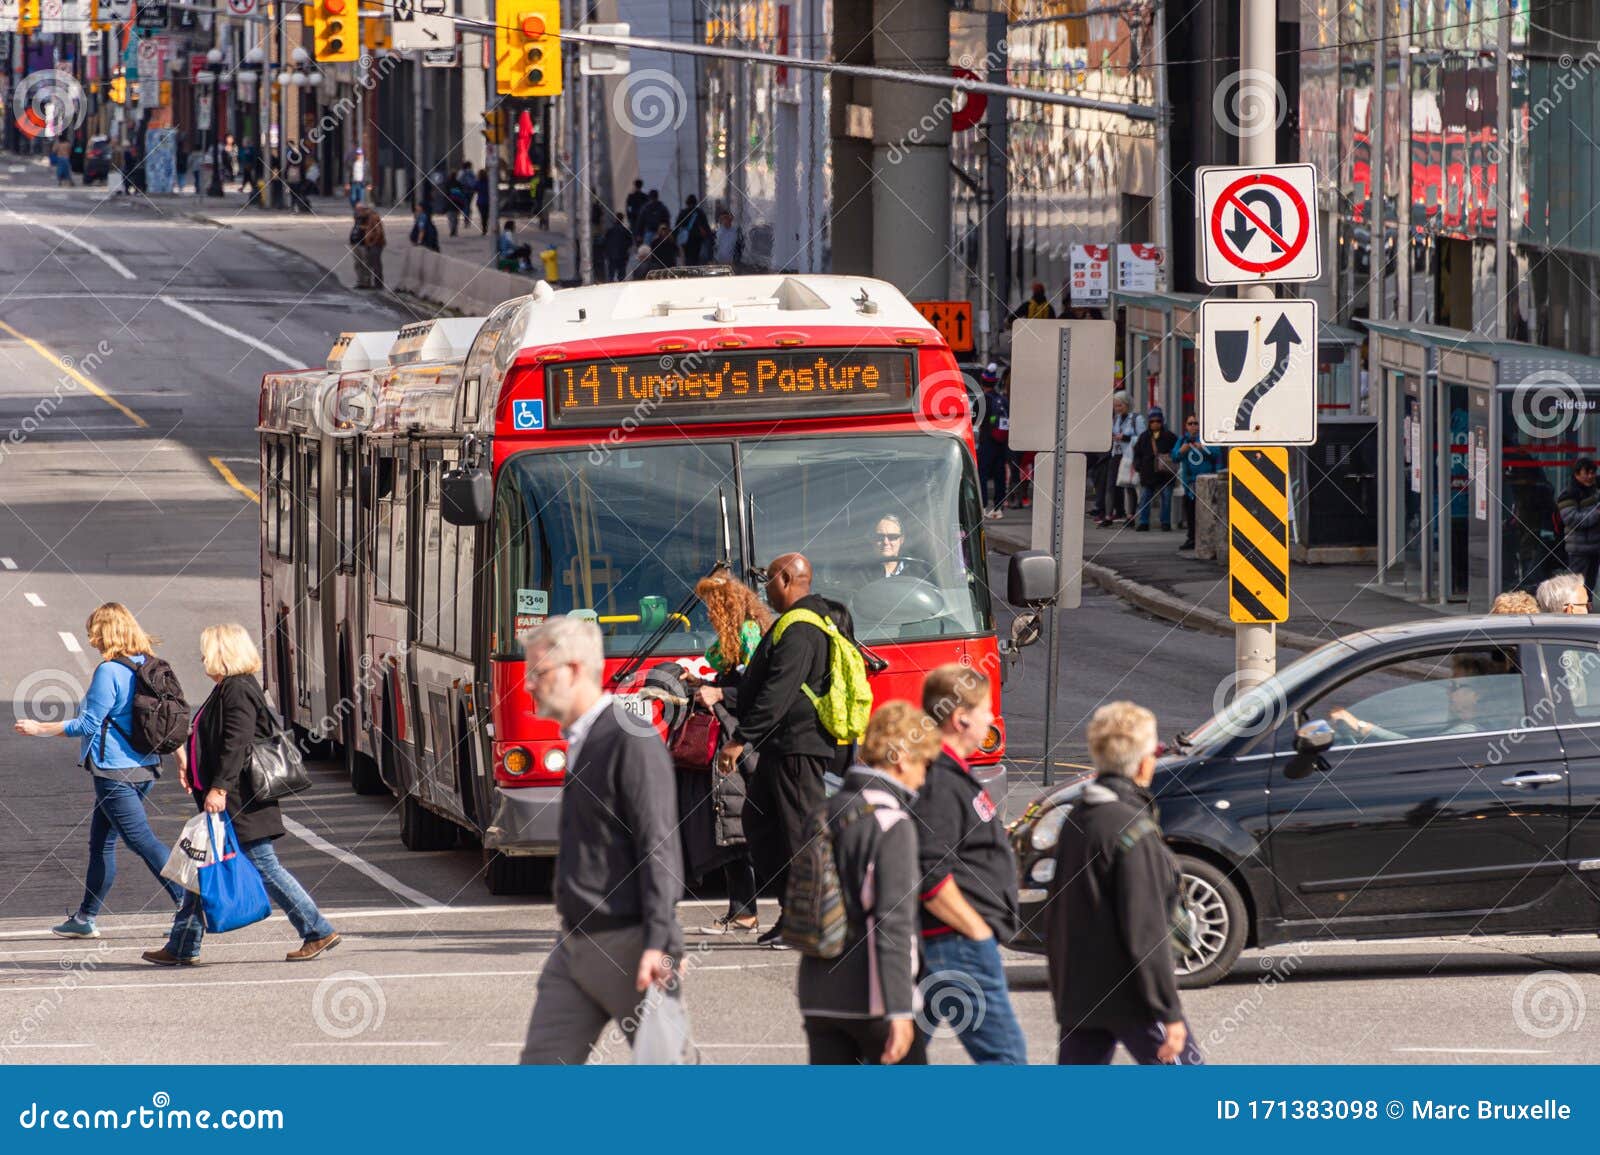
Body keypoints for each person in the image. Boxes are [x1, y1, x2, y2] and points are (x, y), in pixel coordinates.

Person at [519, 618, 686, 1064]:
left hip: (628, 944)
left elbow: (659, 842)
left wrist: (661, 942)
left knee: (666, 1066)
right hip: (575, 941)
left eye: (538, 672)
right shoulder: (581, 737)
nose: (528, 684)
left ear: (574, 669)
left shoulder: (629, 738)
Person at [144, 625, 340, 966]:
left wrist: (218, 788)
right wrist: (193, 771)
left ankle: (316, 929)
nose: (203, 657)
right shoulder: (227, 688)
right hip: (230, 794)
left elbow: (236, 743)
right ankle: (182, 944)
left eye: (207, 651)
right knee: (200, 861)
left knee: (264, 865)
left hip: (240, 798)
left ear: (223, 653)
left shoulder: (237, 690)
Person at [14, 603, 185, 940]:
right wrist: (181, 758)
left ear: (106, 633)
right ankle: (85, 916)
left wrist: (40, 728)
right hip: (146, 767)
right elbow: (170, 720)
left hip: (114, 771)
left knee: (141, 841)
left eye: (93, 633)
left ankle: (189, 903)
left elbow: (88, 724)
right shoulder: (149, 666)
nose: (91, 641)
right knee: (101, 844)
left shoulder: (109, 671)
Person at [1047, 701, 1202, 1065]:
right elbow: (1146, 930)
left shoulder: (1078, 818)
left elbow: (1059, 911)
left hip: (1083, 992)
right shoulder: (1134, 830)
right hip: (1132, 996)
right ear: (1144, 761)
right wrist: (1169, 1012)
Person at [708, 553, 841, 948]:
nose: (763, 588)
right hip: (780, 746)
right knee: (763, 825)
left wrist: (739, 738)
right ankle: (792, 911)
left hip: (798, 746)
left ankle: (811, 918)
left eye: (768, 580)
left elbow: (778, 691)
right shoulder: (792, 622)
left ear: (786, 579)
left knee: (800, 833)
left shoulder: (802, 627)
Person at [797, 700, 933, 1065]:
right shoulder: (891, 824)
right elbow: (892, 922)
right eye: (924, 763)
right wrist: (900, 1009)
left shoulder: (822, 814)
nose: (923, 776)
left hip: (817, 993)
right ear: (902, 757)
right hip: (873, 999)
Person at [910, 665, 1027, 1065]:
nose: (991, 720)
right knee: (1005, 1058)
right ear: (960, 718)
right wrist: (976, 929)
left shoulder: (952, 773)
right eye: (986, 710)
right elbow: (929, 868)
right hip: (958, 942)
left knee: (899, 1057)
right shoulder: (940, 780)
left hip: (950, 941)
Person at [687, 573, 772, 936]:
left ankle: (747, 911)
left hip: (747, 740)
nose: (707, 613)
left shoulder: (750, 634)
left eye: (711, 605)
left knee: (739, 823)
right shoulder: (739, 637)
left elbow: (760, 690)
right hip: (740, 736)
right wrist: (706, 686)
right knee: (734, 822)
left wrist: (719, 694)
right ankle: (742, 911)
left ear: (726, 607)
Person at [1171, 413, 1222, 551]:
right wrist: (1181, 451)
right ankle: (1192, 538)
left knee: (1208, 512)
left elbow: (1217, 454)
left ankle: (1208, 539)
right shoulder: (1183, 440)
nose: (1193, 426)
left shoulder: (1207, 438)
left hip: (1207, 481)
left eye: (1196, 423)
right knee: (1191, 511)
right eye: (1190, 424)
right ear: (1186, 426)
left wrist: (1203, 449)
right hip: (1190, 483)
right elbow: (1174, 457)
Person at [1099, 391, 1145, 527]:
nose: (1117, 409)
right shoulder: (1117, 419)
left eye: (1120, 405)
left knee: (1129, 485)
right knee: (1110, 485)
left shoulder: (1136, 419)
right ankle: (1108, 516)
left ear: (1127, 404)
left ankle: (1130, 515)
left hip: (1129, 455)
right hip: (1116, 454)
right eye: (1115, 406)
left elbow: (1142, 439)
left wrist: (1125, 438)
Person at [1131, 406, 1178, 532]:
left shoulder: (1170, 436)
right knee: (1145, 498)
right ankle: (1144, 522)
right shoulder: (1144, 437)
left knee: (1166, 499)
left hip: (1165, 474)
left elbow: (1176, 452)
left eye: (1158, 421)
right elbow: (1137, 453)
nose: (1155, 423)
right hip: (1148, 474)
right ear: (1149, 422)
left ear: (1162, 421)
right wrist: (1138, 466)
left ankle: (1165, 522)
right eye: (1152, 421)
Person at [1558, 458, 1600, 595]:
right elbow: (1572, 520)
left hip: (1595, 547)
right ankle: (1575, 611)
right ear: (1576, 474)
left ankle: (1585, 608)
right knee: (1576, 585)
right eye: (1586, 473)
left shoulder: (1595, 490)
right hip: (1578, 549)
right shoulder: (1568, 494)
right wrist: (1597, 513)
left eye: (1592, 473)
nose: (1590, 477)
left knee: (1590, 584)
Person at [976, 368, 1010, 519]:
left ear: (982, 382)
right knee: (999, 475)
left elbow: (974, 420)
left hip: (987, 441)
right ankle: (998, 508)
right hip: (1001, 443)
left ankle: (983, 506)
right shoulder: (1003, 400)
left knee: (982, 474)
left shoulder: (982, 400)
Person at [862, 514, 929, 582]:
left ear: (901, 540)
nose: (886, 542)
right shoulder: (861, 573)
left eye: (892, 537)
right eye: (880, 537)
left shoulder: (918, 572)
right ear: (872, 539)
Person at [351, 204, 385, 289]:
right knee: (360, 264)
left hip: (371, 244)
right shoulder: (359, 217)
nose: (359, 212)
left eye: (361, 210)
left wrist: (371, 242)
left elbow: (378, 232)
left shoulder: (373, 217)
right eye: (357, 210)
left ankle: (375, 283)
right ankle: (362, 282)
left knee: (372, 264)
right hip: (359, 243)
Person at [674, 193, 713, 265]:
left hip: (685, 241)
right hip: (697, 239)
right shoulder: (699, 212)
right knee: (696, 259)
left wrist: (675, 240)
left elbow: (677, 227)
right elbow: (706, 227)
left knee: (687, 259)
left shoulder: (683, 213)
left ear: (687, 203)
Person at [600, 209, 633, 282]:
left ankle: (611, 282)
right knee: (621, 273)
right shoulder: (625, 231)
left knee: (611, 273)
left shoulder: (610, 230)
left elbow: (604, 242)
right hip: (622, 254)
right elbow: (630, 242)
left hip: (612, 255)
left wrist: (606, 252)